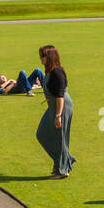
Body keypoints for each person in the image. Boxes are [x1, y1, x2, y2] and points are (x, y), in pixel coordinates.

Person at [36, 44, 75, 178]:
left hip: (61, 106)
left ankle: (62, 169)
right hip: (53, 106)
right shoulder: (50, 71)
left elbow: (60, 95)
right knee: (41, 134)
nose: (41, 59)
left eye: (42, 56)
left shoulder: (57, 72)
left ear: (50, 57)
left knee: (60, 138)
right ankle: (64, 160)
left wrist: (58, 115)